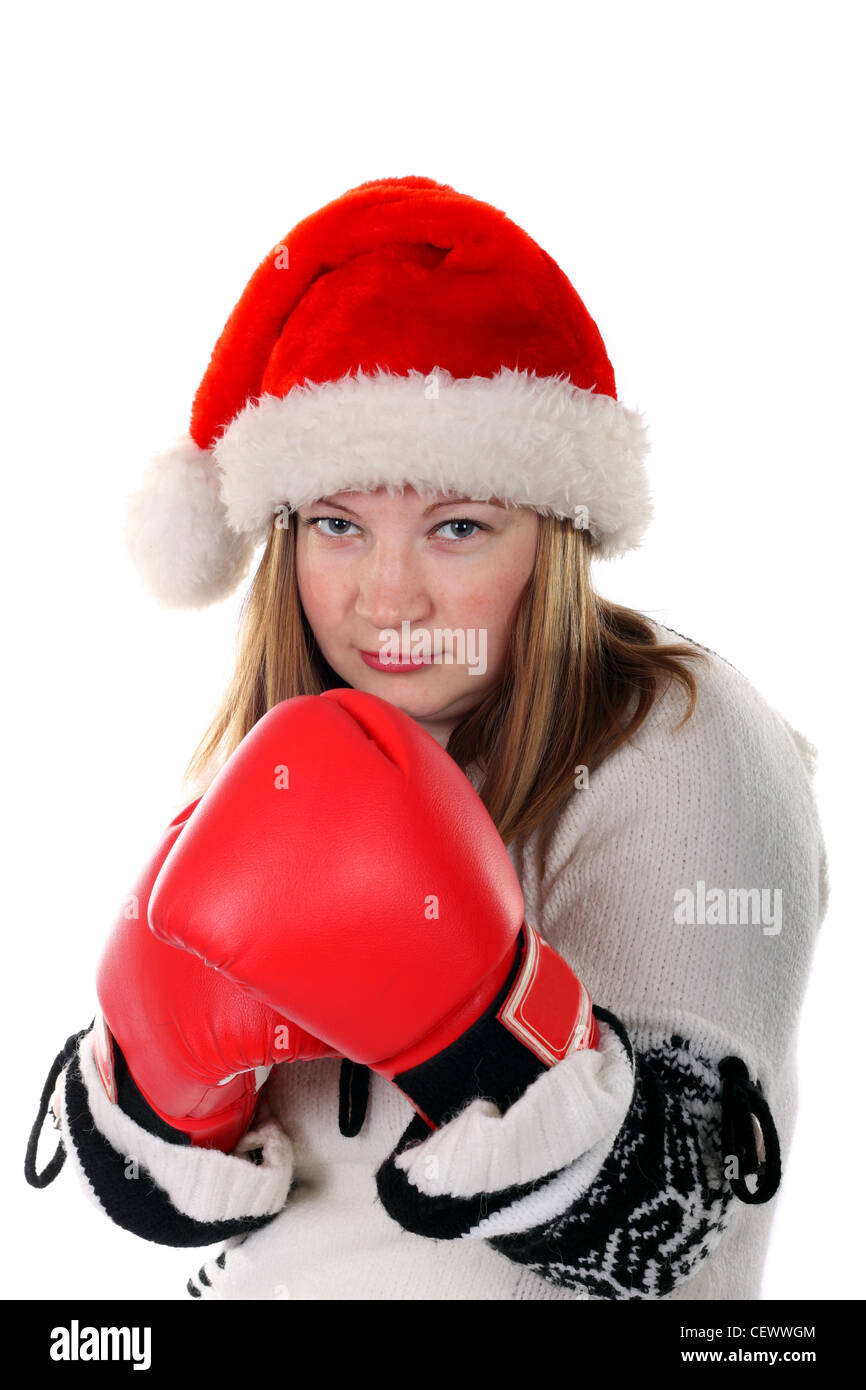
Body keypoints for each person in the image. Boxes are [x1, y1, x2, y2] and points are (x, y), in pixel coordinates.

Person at [25, 176, 827, 1301]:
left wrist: (479, 1028)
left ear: (549, 536)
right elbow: (190, 1209)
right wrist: (161, 1088)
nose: (388, 598)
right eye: (340, 526)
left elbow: (683, 1212)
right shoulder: (286, 759)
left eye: (456, 526)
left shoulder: (678, 734)